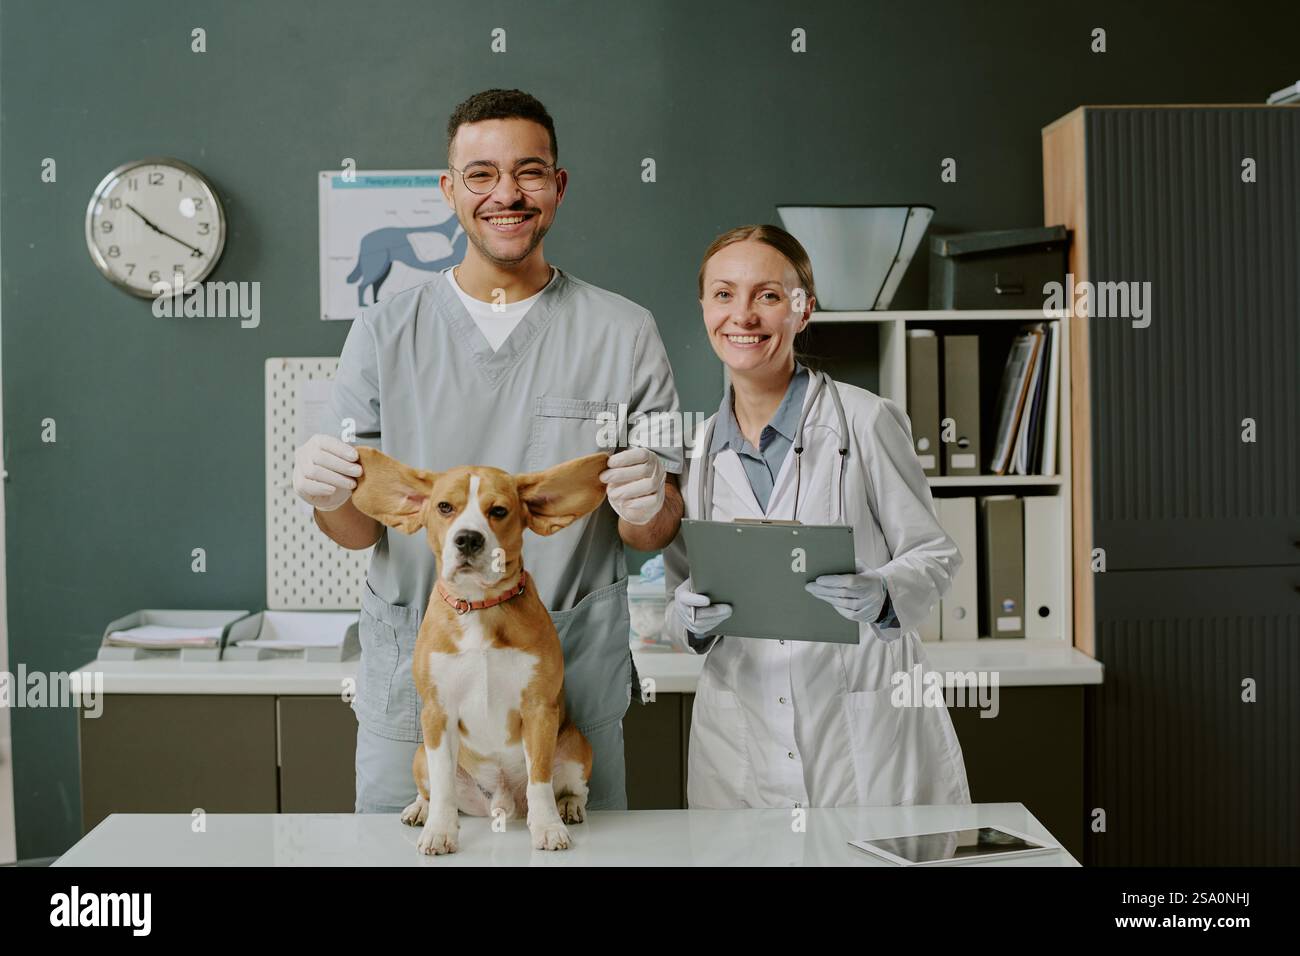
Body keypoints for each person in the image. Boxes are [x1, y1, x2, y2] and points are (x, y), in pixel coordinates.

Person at [294, 89, 685, 814]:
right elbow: (356, 530)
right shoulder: (384, 329)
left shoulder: (624, 333)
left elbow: (650, 534)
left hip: (562, 704)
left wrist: (650, 503)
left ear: (558, 187)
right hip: (424, 699)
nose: (506, 193)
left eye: (530, 172)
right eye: (480, 175)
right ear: (449, 190)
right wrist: (327, 496)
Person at [662, 224, 971, 809]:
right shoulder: (697, 452)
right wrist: (689, 620)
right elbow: (685, 601)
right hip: (741, 734)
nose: (743, 316)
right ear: (704, 308)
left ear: (803, 311)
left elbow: (935, 555)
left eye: (769, 296)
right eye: (724, 294)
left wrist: (882, 592)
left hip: (864, 724)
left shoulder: (866, 421)